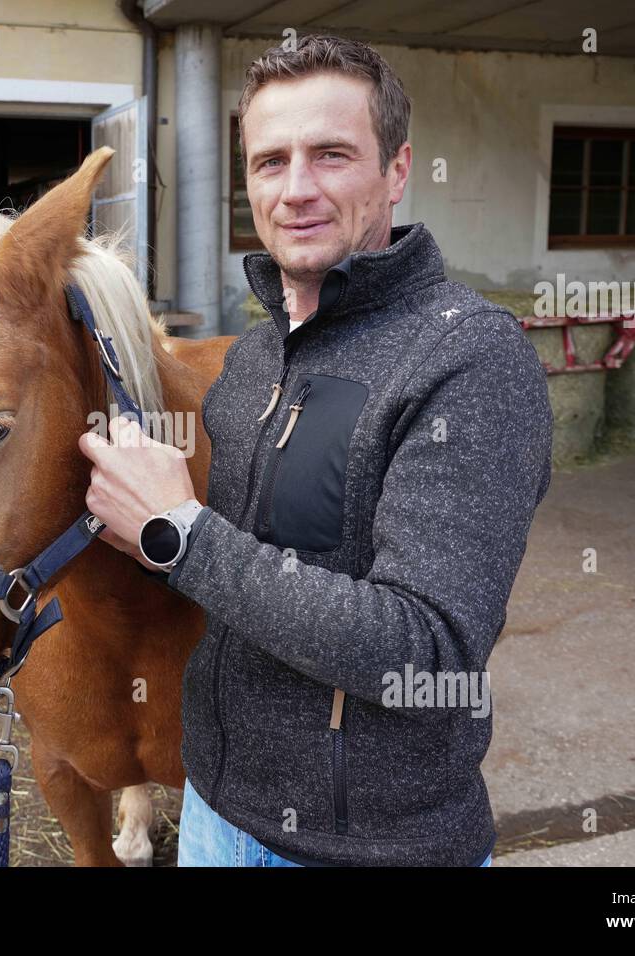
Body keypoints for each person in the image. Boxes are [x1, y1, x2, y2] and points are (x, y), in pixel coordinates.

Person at [79, 34, 551, 867]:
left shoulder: (472, 359)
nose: (296, 190)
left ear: (397, 171)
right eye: (270, 162)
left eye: (331, 156)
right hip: (215, 816)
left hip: (372, 849)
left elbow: (427, 647)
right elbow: (228, 578)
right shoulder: (254, 359)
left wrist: (176, 532)